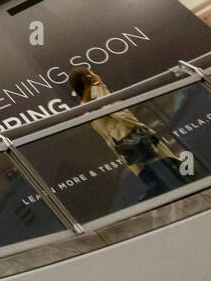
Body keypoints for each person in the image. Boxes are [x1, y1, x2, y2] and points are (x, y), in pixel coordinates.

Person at [71, 69, 189, 198]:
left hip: (120, 144)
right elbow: (118, 112)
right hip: (131, 133)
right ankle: (186, 184)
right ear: (88, 77)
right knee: (165, 162)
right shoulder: (97, 89)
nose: (96, 74)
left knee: (150, 171)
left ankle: (171, 191)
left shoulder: (84, 105)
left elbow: (103, 132)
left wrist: (115, 147)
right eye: (92, 72)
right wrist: (140, 126)